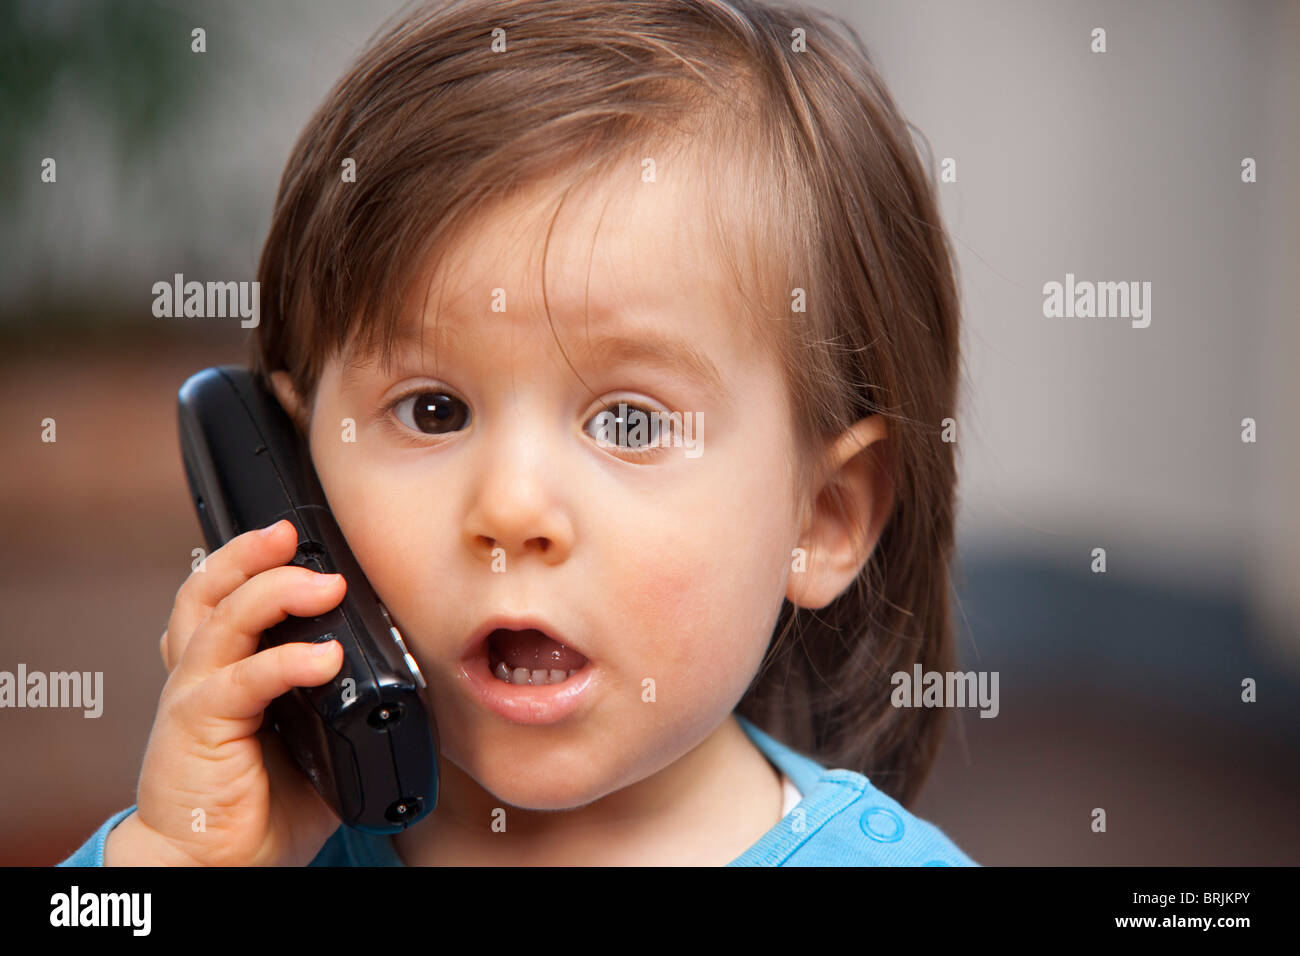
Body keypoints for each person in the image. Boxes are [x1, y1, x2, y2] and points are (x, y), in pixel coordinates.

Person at [59, 0, 973, 866]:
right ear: (296, 474)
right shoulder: (228, 841)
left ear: (824, 515)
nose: (510, 507)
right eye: (433, 411)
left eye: (627, 421)